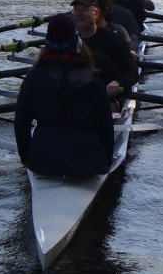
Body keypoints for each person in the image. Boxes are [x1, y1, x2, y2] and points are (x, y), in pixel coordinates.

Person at [13, 13, 115, 178]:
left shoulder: (34, 77)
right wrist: (105, 161)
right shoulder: (94, 79)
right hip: (88, 161)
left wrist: (27, 158)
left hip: (43, 160)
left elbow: (21, 124)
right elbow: (106, 126)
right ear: (77, 42)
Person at [71, 0, 138, 98]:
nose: (79, 14)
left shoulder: (113, 39)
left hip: (105, 97)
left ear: (96, 13)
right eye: (76, 10)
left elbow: (133, 73)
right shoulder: (67, 39)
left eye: (84, 10)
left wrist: (119, 83)